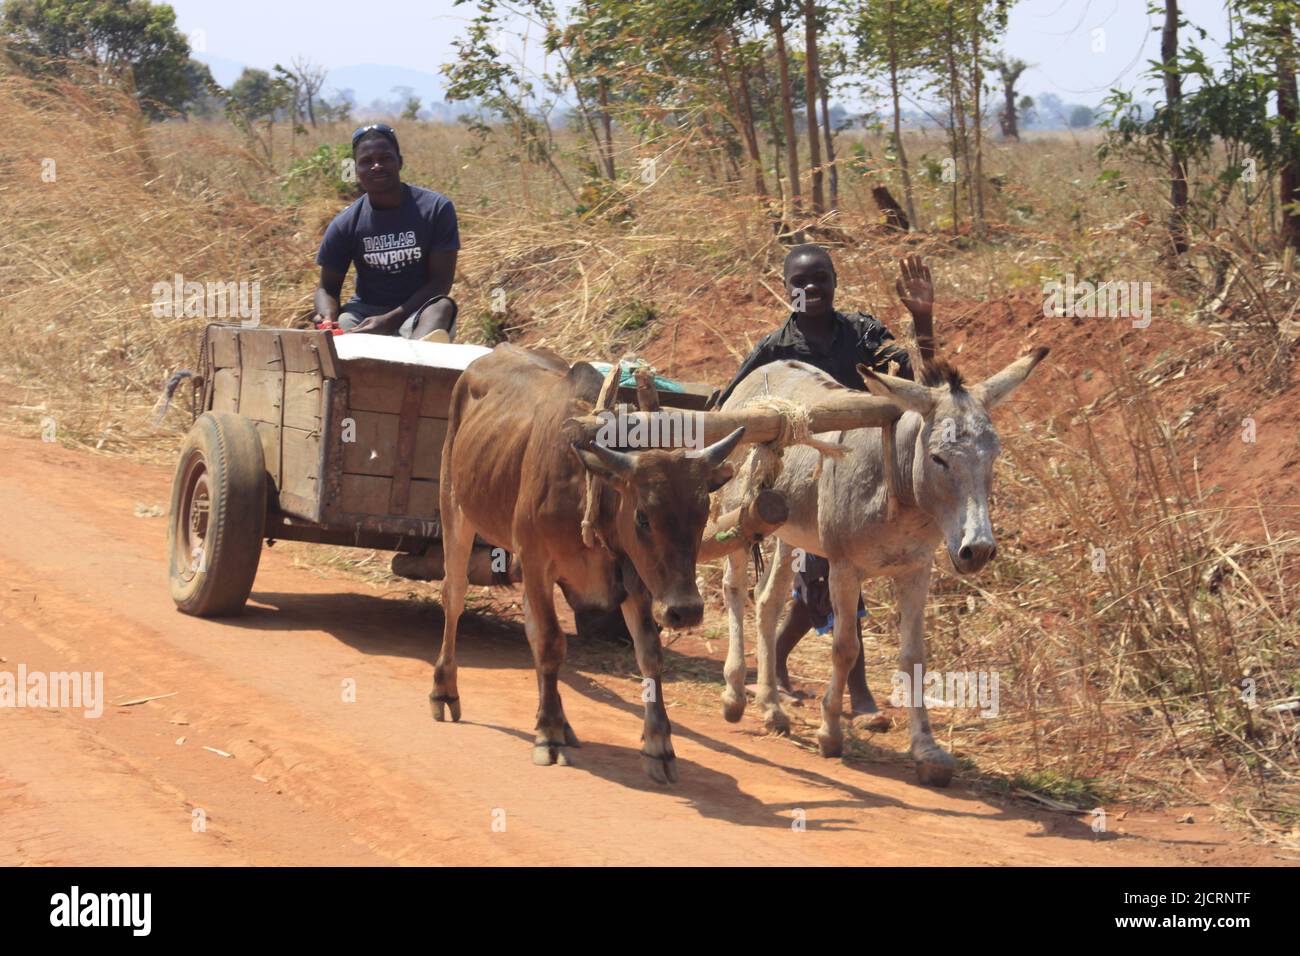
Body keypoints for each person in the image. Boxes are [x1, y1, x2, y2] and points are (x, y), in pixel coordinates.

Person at [716, 245, 937, 725]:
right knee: (830, 575)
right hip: (804, 475)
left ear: (836, 282)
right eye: (801, 282)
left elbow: (924, 386)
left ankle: (775, 668)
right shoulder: (773, 351)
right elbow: (730, 408)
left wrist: (922, 320)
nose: (811, 288)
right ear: (786, 289)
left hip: (866, 473)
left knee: (822, 580)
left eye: (821, 279)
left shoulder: (863, 333)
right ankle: (853, 695)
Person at [312, 123, 460, 341]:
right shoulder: (346, 222)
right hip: (365, 313)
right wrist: (326, 314)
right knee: (344, 324)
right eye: (366, 161)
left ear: (399, 161)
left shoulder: (436, 209)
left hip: (417, 311)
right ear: (355, 169)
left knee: (441, 308)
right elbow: (327, 287)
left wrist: (391, 319)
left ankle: (415, 368)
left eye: (385, 158)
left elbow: (440, 283)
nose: (376, 166)